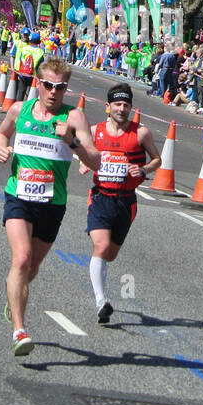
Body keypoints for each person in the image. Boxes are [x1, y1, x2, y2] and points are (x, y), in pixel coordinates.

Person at [0, 58, 101, 356]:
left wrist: (71, 141)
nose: (54, 92)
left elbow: (95, 162)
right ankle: (19, 330)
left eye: (61, 86)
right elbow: (2, 132)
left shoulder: (75, 117)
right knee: (21, 259)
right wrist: (1, 147)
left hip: (52, 203)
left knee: (32, 267)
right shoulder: (20, 110)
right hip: (18, 197)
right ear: (37, 84)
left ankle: (14, 293)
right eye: (48, 85)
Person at [76, 83, 161, 324]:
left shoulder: (141, 133)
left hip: (126, 202)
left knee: (110, 254)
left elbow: (157, 160)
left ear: (131, 108)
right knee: (101, 247)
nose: (122, 109)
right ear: (108, 107)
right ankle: (101, 301)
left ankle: (101, 290)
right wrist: (86, 162)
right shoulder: (95, 131)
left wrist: (143, 170)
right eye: (117, 104)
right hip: (101, 197)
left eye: (126, 105)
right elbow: (83, 152)